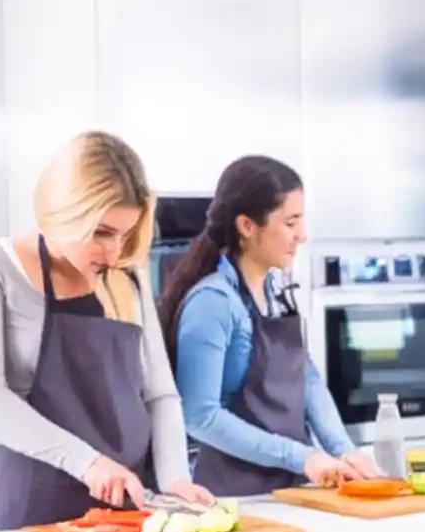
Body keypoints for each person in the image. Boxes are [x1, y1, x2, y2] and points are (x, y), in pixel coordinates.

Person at [0, 131, 213, 529]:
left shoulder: (126, 276)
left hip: (124, 506)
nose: (115, 251)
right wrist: (88, 463)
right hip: (26, 513)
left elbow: (160, 394)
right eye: (103, 232)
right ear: (65, 212)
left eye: (125, 234)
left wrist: (175, 478)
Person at [158, 156, 382, 497]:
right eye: (291, 223)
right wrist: (302, 456)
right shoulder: (213, 303)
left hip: (289, 489)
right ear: (247, 226)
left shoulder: (275, 291)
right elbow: (199, 415)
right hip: (233, 497)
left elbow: (306, 380)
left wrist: (344, 451)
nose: (302, 235)